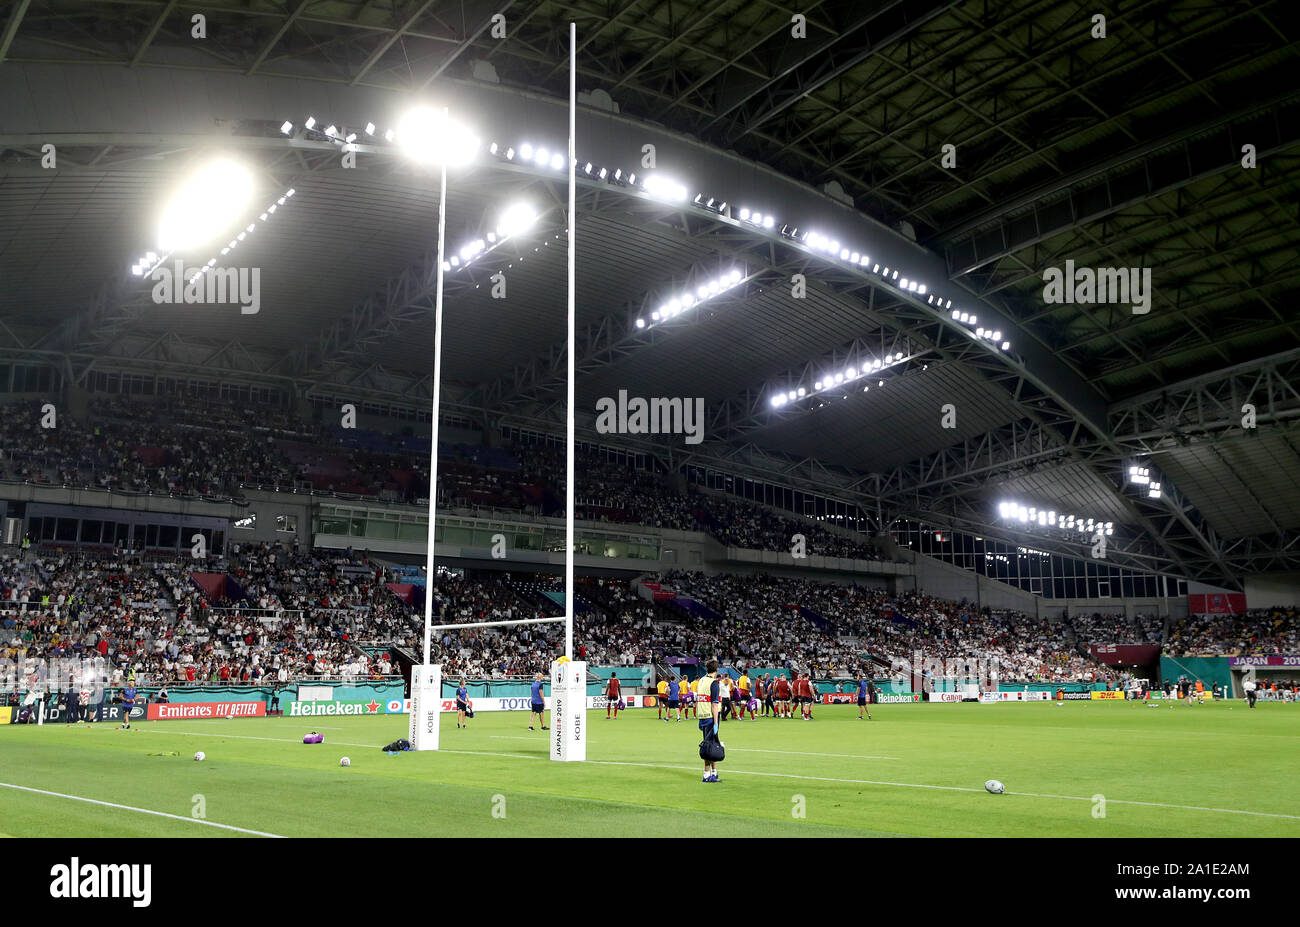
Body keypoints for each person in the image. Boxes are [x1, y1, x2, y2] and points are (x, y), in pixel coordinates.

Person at [695, 659, 723, 784]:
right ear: (716, 670)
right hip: (711, 717)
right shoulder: (714, 683)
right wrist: (716, 723)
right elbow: (714, 705)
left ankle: (714, 772)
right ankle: (706, 774)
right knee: (708, 746)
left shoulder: (701, 680)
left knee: (712, 745)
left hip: (702, 715)